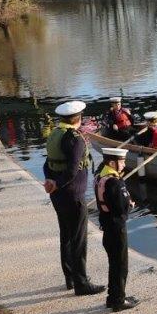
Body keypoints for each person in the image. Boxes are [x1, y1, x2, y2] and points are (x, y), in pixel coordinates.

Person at [42, 101, 104, 296]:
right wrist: (59, 183)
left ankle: (69, 277)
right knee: (78, 239)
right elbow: (71, 170)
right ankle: (81, 283)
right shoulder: (75, 139)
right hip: (73, 194)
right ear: (79, 118)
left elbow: (47, 164)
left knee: (66, 236)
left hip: (57, 194)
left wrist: (51, 181)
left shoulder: (54, 134)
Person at [95, 147, 139, 312]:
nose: (124, 164)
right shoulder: (115, 182)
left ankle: (112, 297)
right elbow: (122, 208)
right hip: (116, 227)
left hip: (107, 225)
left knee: (113, 263)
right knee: (121, 265)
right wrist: (129, 204)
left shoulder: (101, 177)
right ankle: (119, 300)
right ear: (112, 162)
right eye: (122, 161)